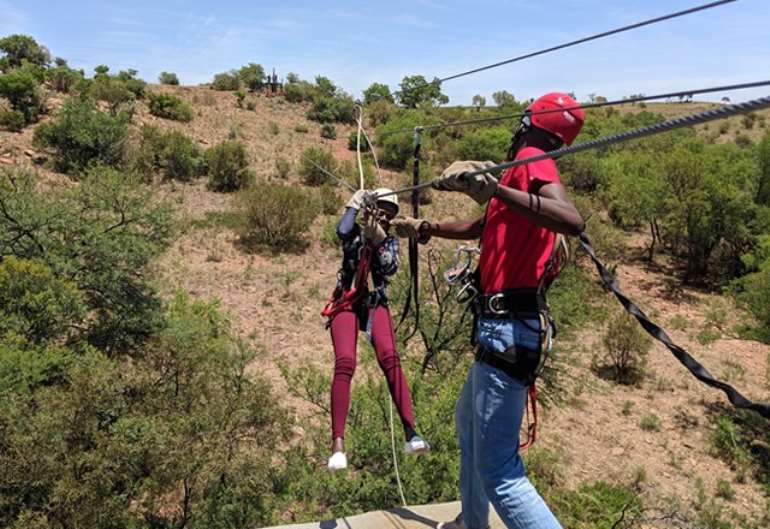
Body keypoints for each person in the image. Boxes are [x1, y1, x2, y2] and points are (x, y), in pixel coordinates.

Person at [391, 93, 585, 528]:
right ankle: (471, 523)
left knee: (501, 472)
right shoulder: (519, 177)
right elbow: (484, 226)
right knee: (468, 426)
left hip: (508, 328)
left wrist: (494, 186)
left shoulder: (531, 157)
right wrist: (428, 228)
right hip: (502, 329)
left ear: (526, 122)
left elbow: (571, 220)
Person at [324, 188, 430, 471]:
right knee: (345, 362)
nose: (383, 216)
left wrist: (380, 239)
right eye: (379, 209)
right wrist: (354, 203)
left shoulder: (390, 242)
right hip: (347, 300)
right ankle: (337, 443)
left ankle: (411, 432)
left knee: (390, 359)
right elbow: (342, 229)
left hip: (374, 301)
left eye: (388, 213)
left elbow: (389, 267)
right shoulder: (355, 235)